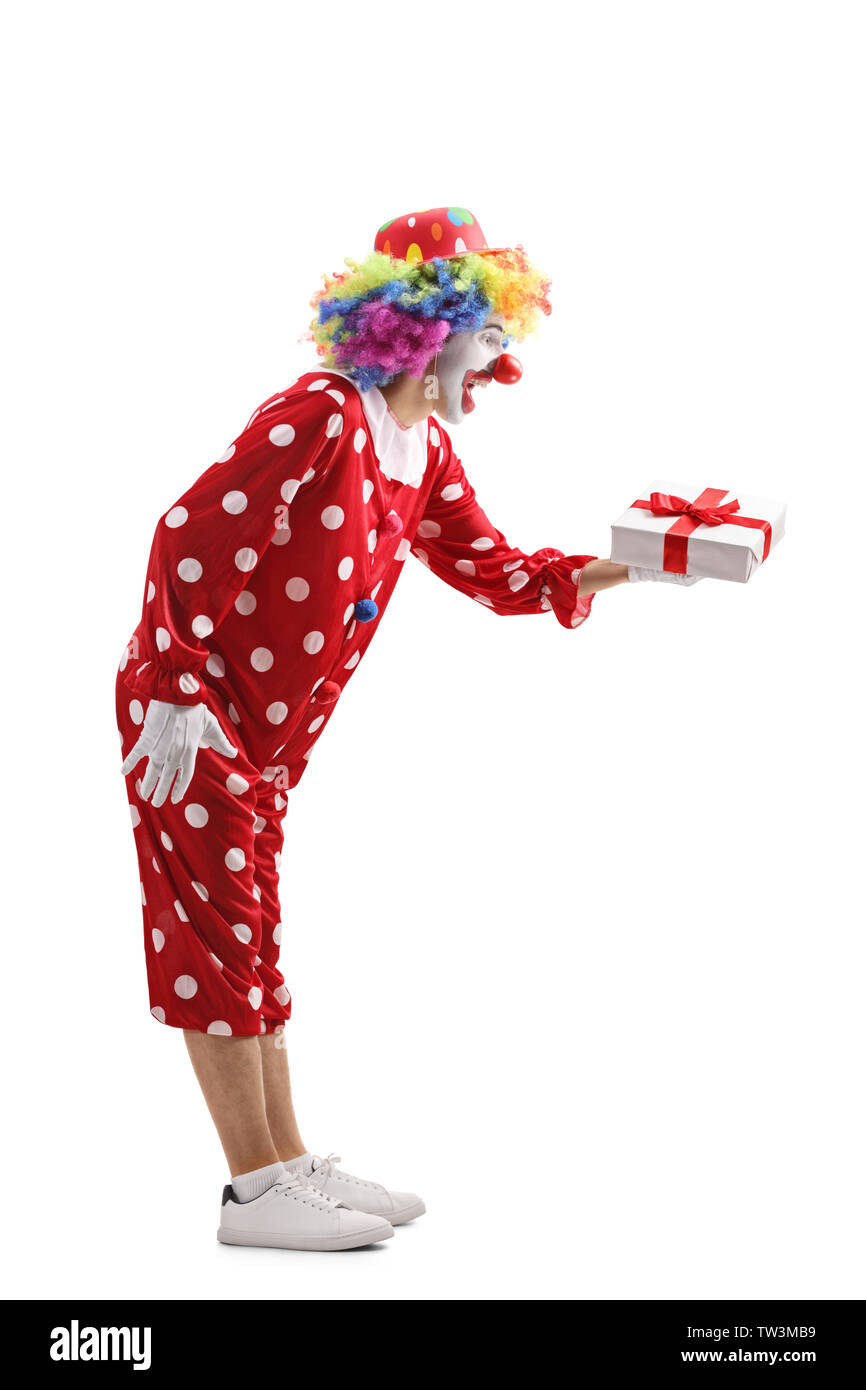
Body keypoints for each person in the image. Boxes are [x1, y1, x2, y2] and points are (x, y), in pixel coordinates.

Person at [116, 206, 700, 1253]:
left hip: (262, 736)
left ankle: (284, 1164)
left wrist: (638, 563)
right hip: (191, 711)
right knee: (216, 932)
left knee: (250, 934)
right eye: (486, 336)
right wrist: (170, 684)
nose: (499, 362)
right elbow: (187, 535)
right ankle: (252, 1192)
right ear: (422, 328)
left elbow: (494, 568)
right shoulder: (320, 414)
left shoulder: (415, 445)